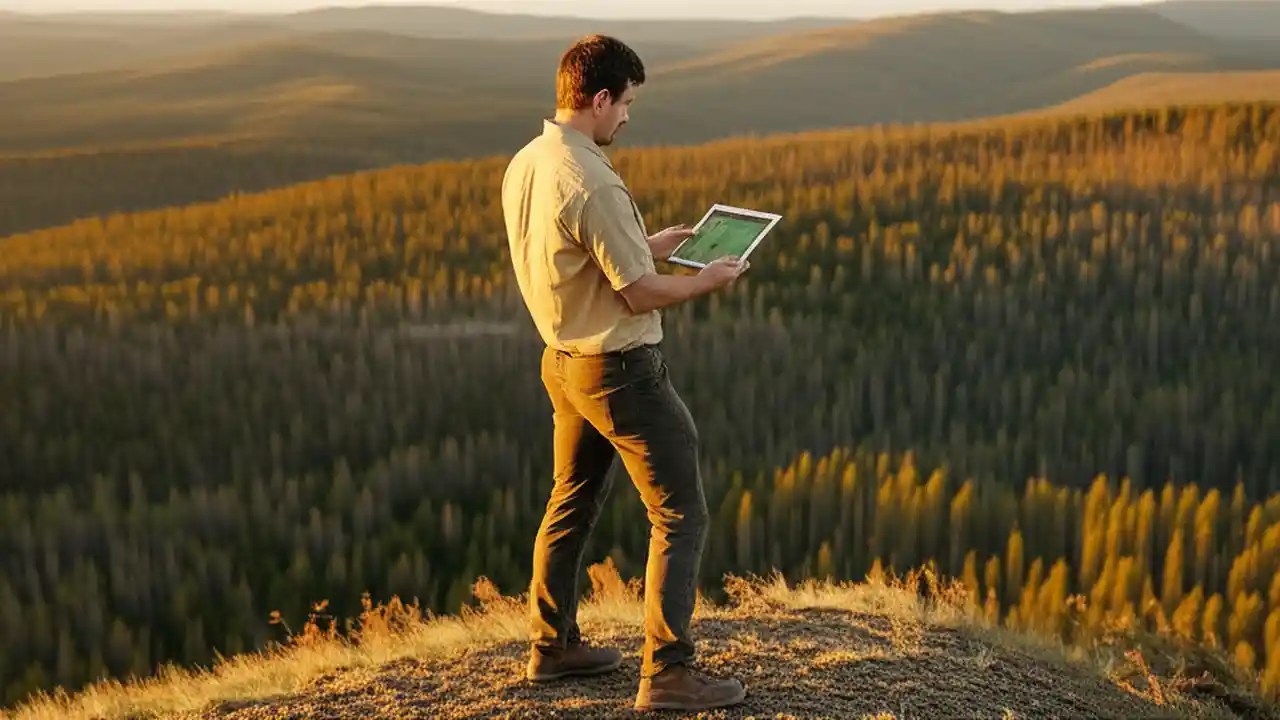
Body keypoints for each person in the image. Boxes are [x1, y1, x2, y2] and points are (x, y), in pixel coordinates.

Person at [501, 34, 749, 712]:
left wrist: (653, 243)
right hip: (619, 370)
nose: (628, 117)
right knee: (680, 511)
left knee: (571, 500)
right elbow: (638, 293)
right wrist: (709, 281)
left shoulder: (531, 161)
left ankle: (549, 648)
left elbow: (576, 255)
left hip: (563, 363)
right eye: (627, 103)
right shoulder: (592, 178)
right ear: (600, 97)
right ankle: (667, 674)